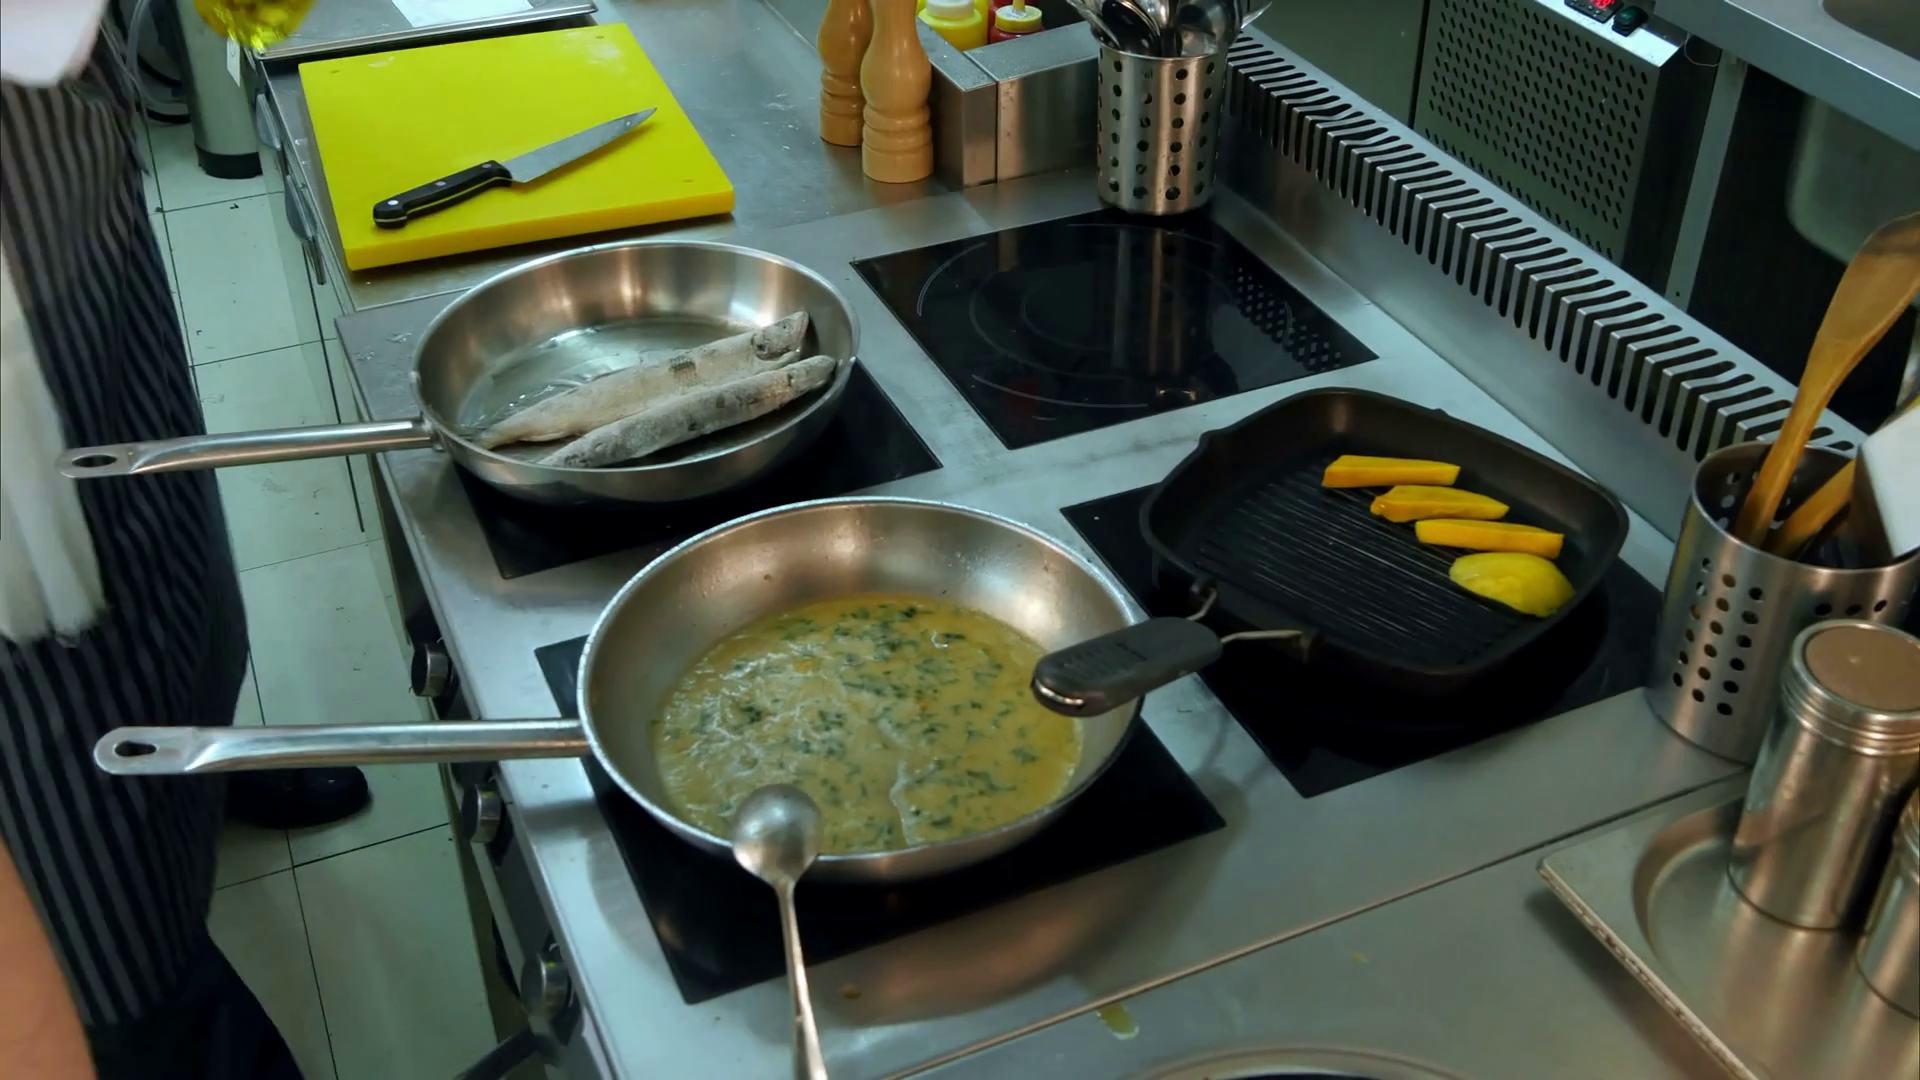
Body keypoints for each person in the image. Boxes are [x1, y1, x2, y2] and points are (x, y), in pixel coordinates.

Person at [0, 10, 363, 1076]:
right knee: (46, 701)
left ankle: (196, 781)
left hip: (65, 181)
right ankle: (154, 1004)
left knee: (167, 531)